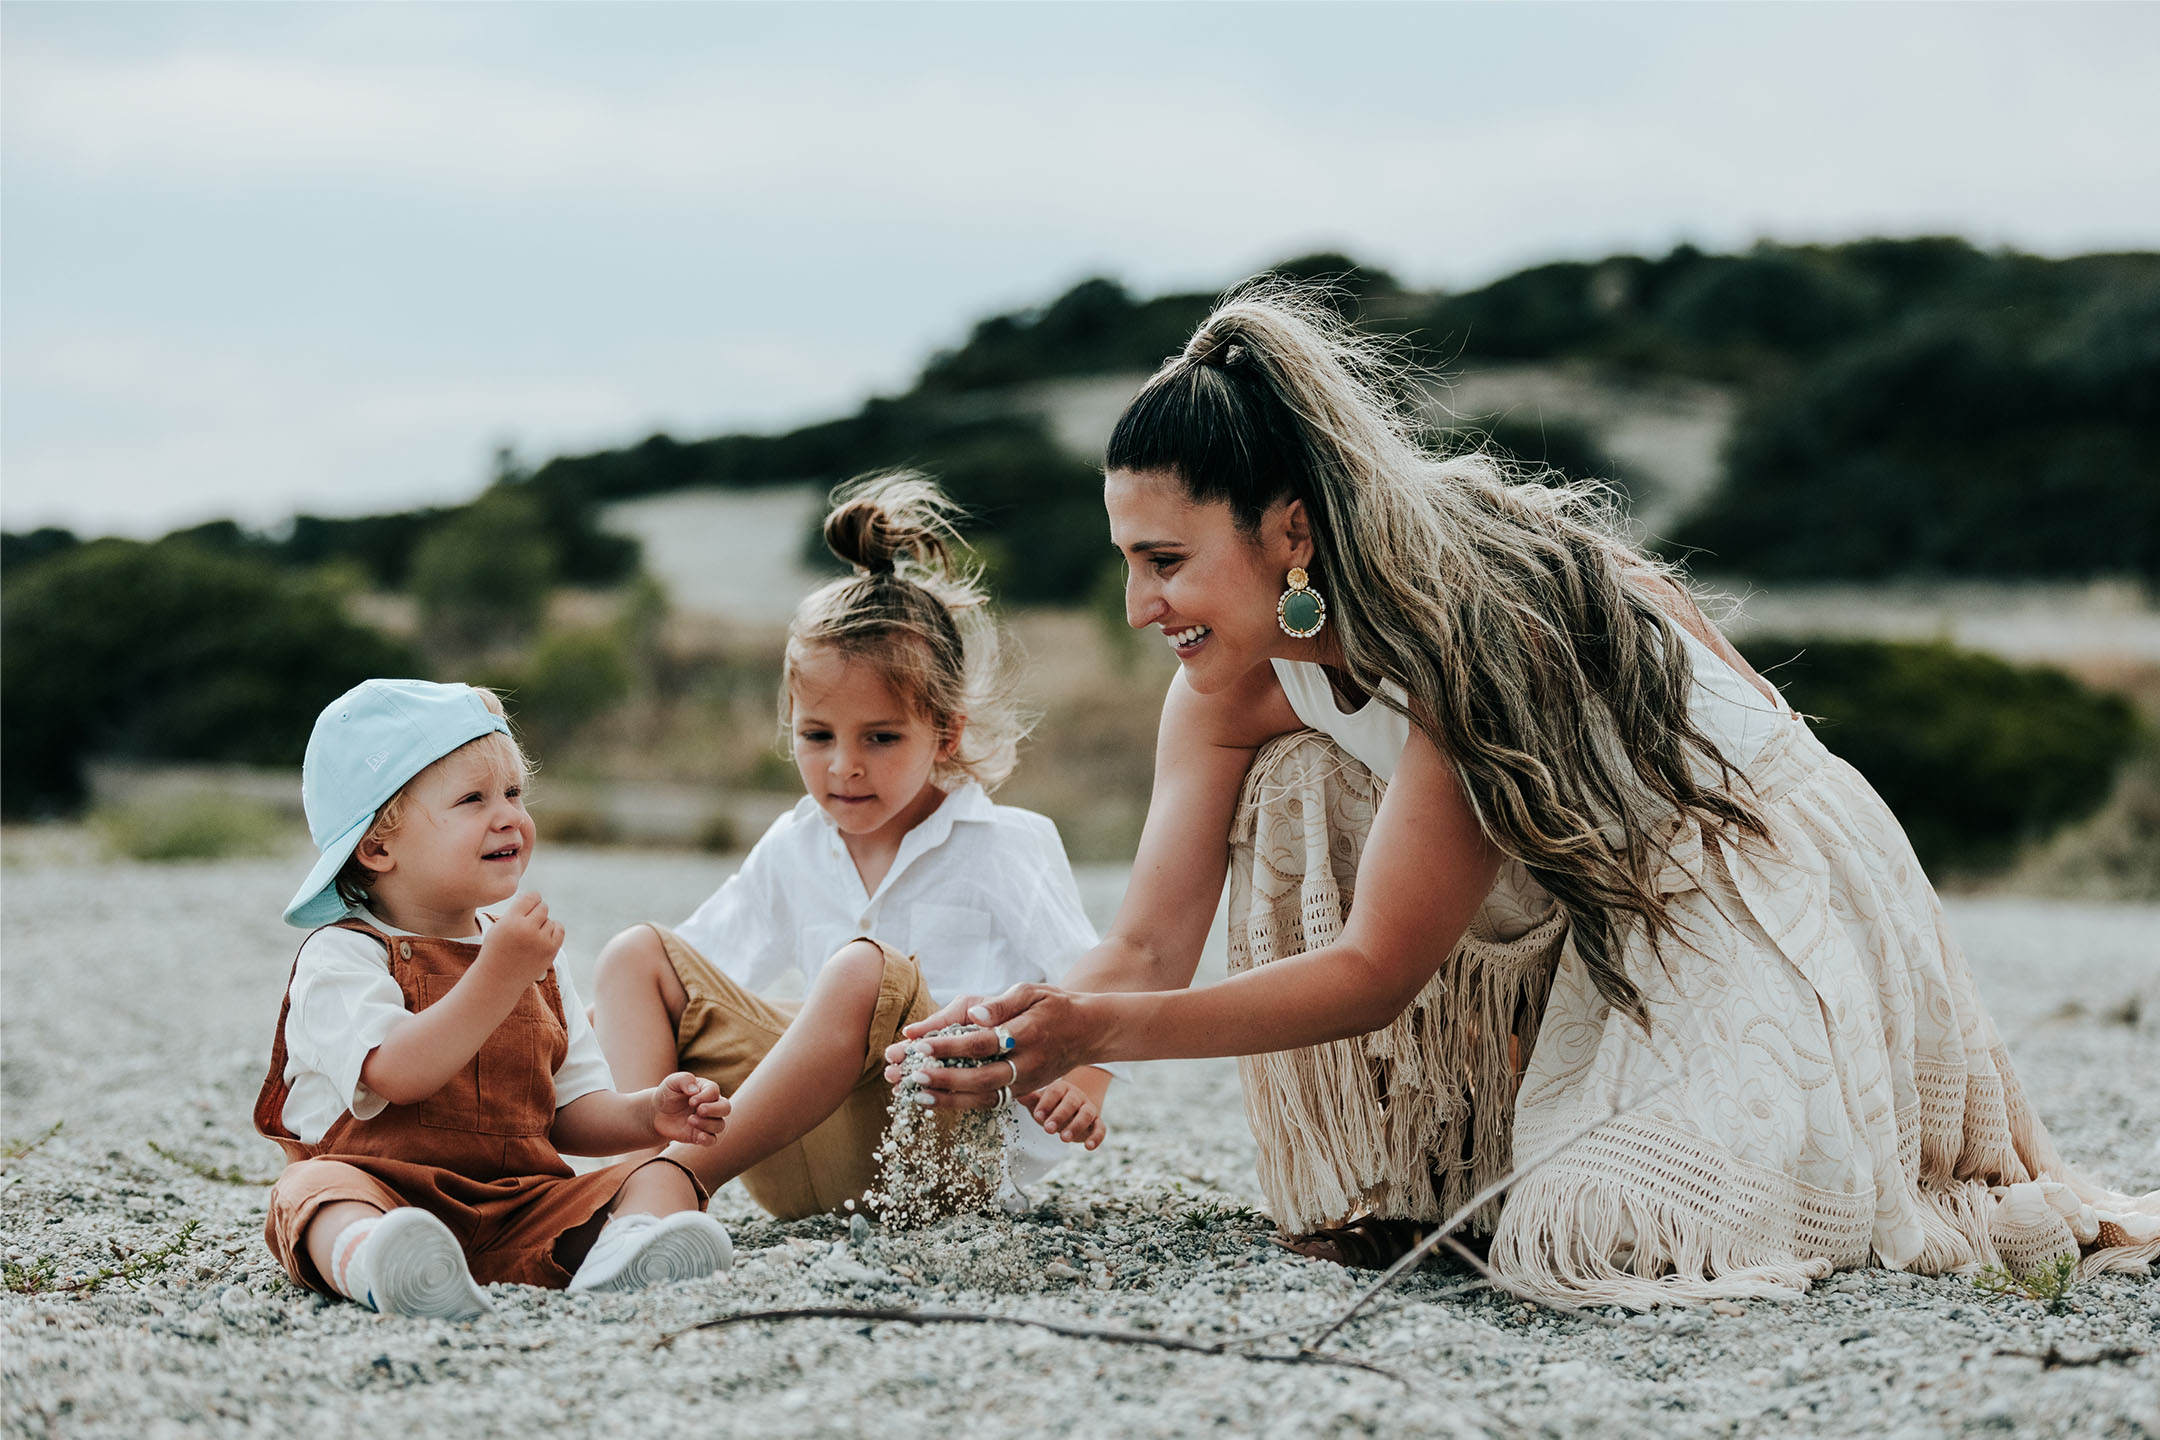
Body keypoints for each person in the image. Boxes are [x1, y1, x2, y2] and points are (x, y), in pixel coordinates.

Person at [887, 283, 2160, 1306]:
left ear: (1289, 531)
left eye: (1166, 561)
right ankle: (1411, 1179)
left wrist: (1103, 1037)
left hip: (1734, 867)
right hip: (1570, 878)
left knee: (1597, 1239)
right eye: (1127, 561)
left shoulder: (1469, 628)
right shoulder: (1232, 681)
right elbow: (1152, 942)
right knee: (1291, 783)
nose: (1139, 606)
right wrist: (1036, 1021)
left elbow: (1381, 965)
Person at [590, 474, 1112, 1221]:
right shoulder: (793, 845)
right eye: (817, 736)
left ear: (946, 733)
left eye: (881, 737)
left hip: (936, 1158)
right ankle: (637, 1205)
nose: (844, 767)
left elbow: (1092, 991)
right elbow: (699, 978)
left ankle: (673, 1183)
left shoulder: (1005, 845)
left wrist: (1080, 1090)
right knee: (632, 958)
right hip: (798, 1148)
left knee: (863, 968)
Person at [255, 679, 735, 1320]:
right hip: (382, 1191)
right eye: (472, 799)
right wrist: (499, 974)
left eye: (513, 793)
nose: (508, 815)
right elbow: (400, 1072)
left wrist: (648, 1117)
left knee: (664, 1174)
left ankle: (626, 1254)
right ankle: (379, 1262)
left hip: (517, 1206)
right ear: (377, 847)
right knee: (312, 1191)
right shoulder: (342, 956)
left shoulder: (528, 955)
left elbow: (568, 1110)